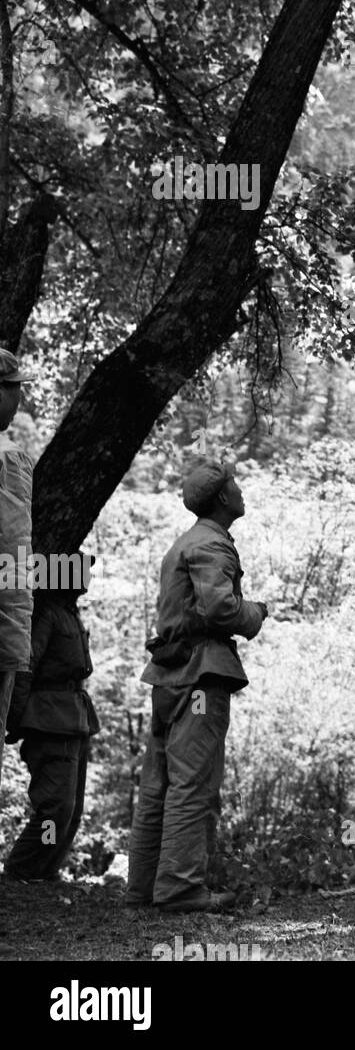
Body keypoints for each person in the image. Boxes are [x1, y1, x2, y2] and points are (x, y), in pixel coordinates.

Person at [126, 461, 269, 913]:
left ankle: (144, 889)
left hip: (171, 675)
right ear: (223, 497)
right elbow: (221, 610)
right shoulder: (211, 544)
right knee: (194, 782)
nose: (241, 489)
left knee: (159, 784)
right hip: (200, 675)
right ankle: (181, 889)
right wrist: (256, 613)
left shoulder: (186, 542)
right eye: (235, 483)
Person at [4, 554, 98, 882]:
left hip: (74, 720)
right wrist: (13, 719)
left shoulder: (70, 614)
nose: (88, 575)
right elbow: (24, 666)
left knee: (70, 811)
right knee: (55, 810)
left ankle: (44, 873)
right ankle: (22, 872)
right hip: (48, 722)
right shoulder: (46, 615)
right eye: (80, 569)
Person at [0, 349, 32, 795]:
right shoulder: (8, 461)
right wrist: (14, 652)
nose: (21, 399)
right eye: (14, 389)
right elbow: (11, 557)